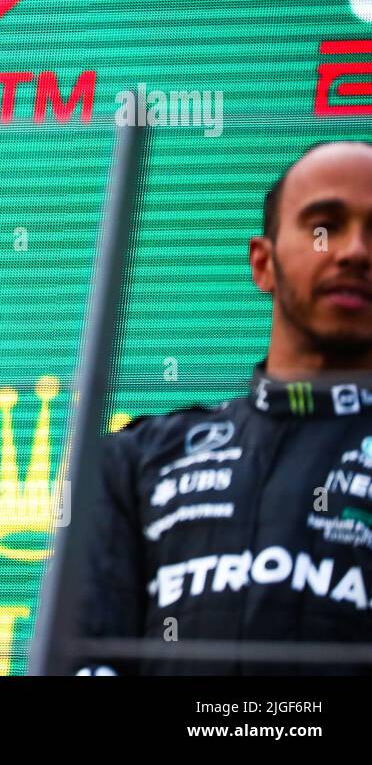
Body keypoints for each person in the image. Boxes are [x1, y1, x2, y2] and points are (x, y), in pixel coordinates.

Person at [78, 139, 372, 674]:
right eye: (324, 224)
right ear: (263, 263)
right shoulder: (140, 459)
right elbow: (83, 659)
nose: (354, 251)